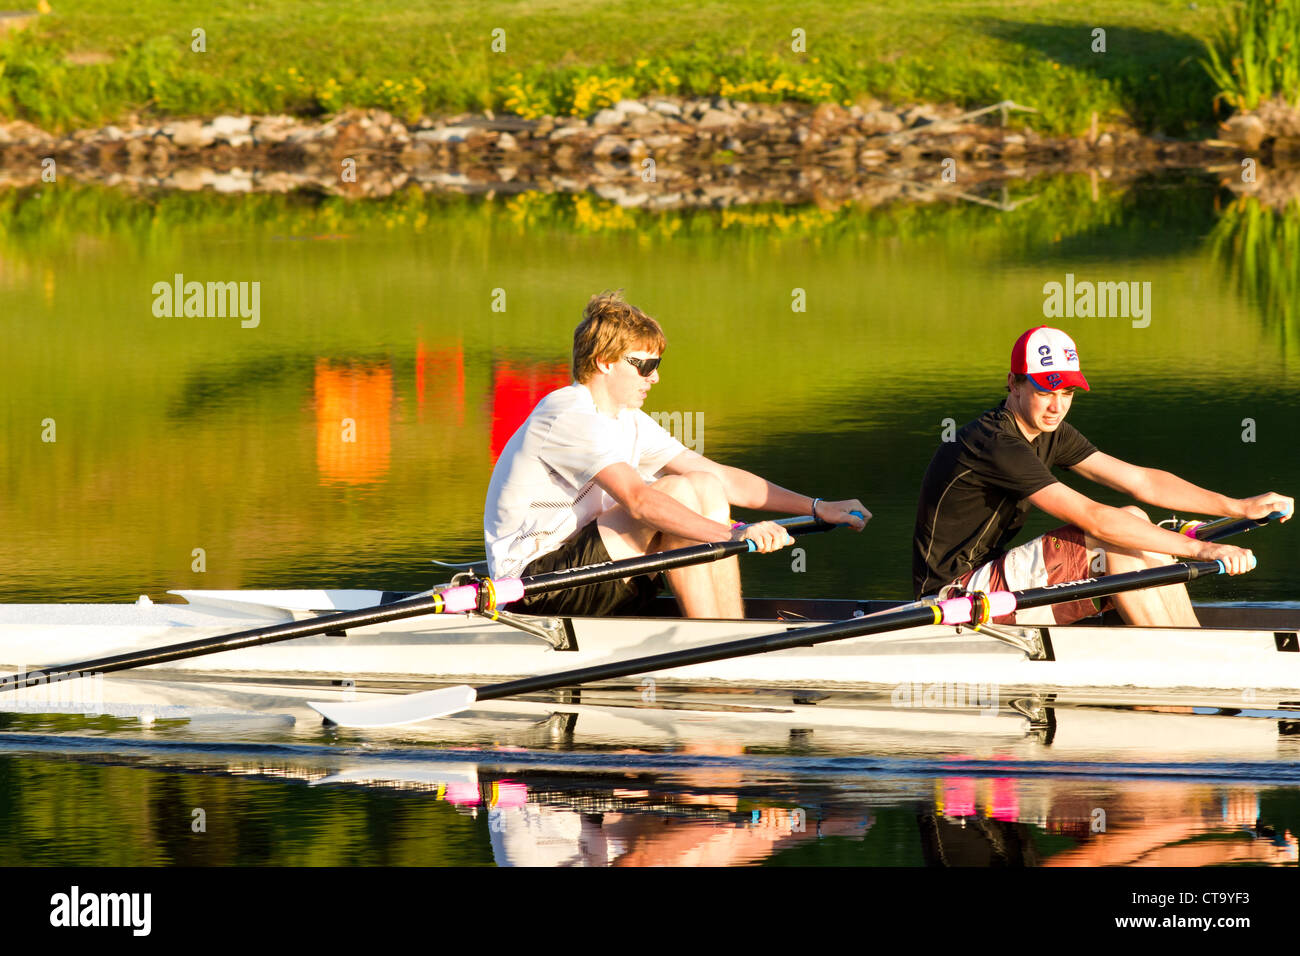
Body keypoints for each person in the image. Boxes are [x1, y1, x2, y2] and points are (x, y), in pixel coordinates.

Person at [485, 290, 868, 619]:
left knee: (702, 484)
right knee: (676, 493)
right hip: (534, 587)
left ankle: (726, 630)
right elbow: (639, 502)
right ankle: (710, 645)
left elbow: (721, 477)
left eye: (658, 366)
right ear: (604, 361)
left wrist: (818, 506)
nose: (655, 378)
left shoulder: (628, 420)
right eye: (645, 365)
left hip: (591, 572)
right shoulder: (567, 412)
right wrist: (735, 534)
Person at [911, 326, 1291, 626]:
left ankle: (1188, 643)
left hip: (994, 580)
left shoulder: (1049, 431)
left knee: (1136, 521)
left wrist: (1238, 506)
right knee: (1117, 531)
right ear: (1014, 384)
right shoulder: (994, 441)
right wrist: (1200, 548)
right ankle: (1174, 660)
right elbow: (1093, 519)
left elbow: (1142, 482)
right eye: (1045, 390)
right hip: (953, 598)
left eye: (1067, 393)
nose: (1057, 406)